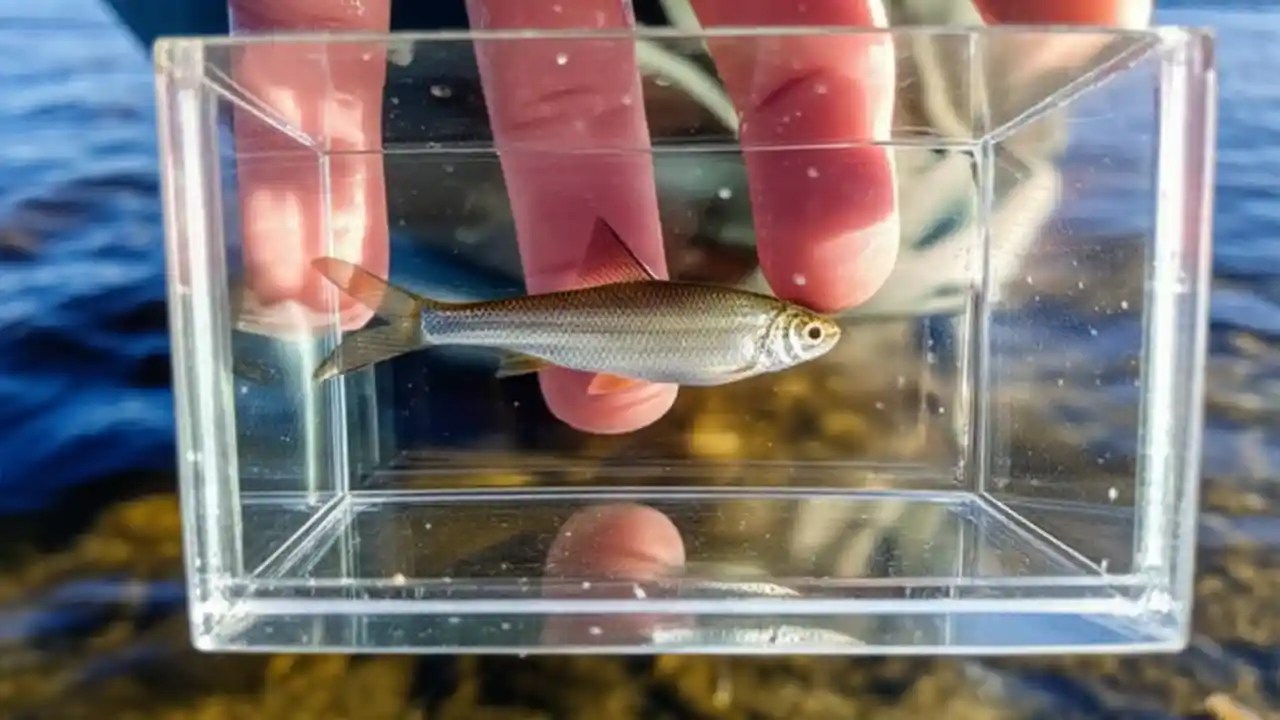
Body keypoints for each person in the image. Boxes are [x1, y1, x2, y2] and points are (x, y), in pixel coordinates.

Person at [109, 0, 1152, 645]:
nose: (802, 333)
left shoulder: (751, 318)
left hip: (486, 191)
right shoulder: (748, 330)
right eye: (801, 335)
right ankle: (430, 333)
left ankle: (437, 342)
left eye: (803, 335)